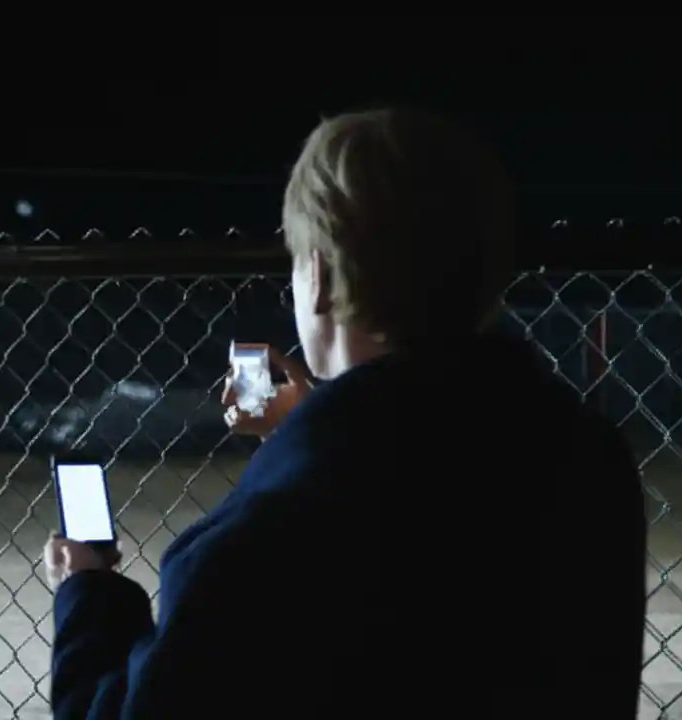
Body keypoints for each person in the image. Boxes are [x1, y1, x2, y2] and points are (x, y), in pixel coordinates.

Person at [43, 107, 647, 718]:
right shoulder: (587, 459)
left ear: (321, 274)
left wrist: (87, 595)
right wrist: (314, 429)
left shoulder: (269, 530)